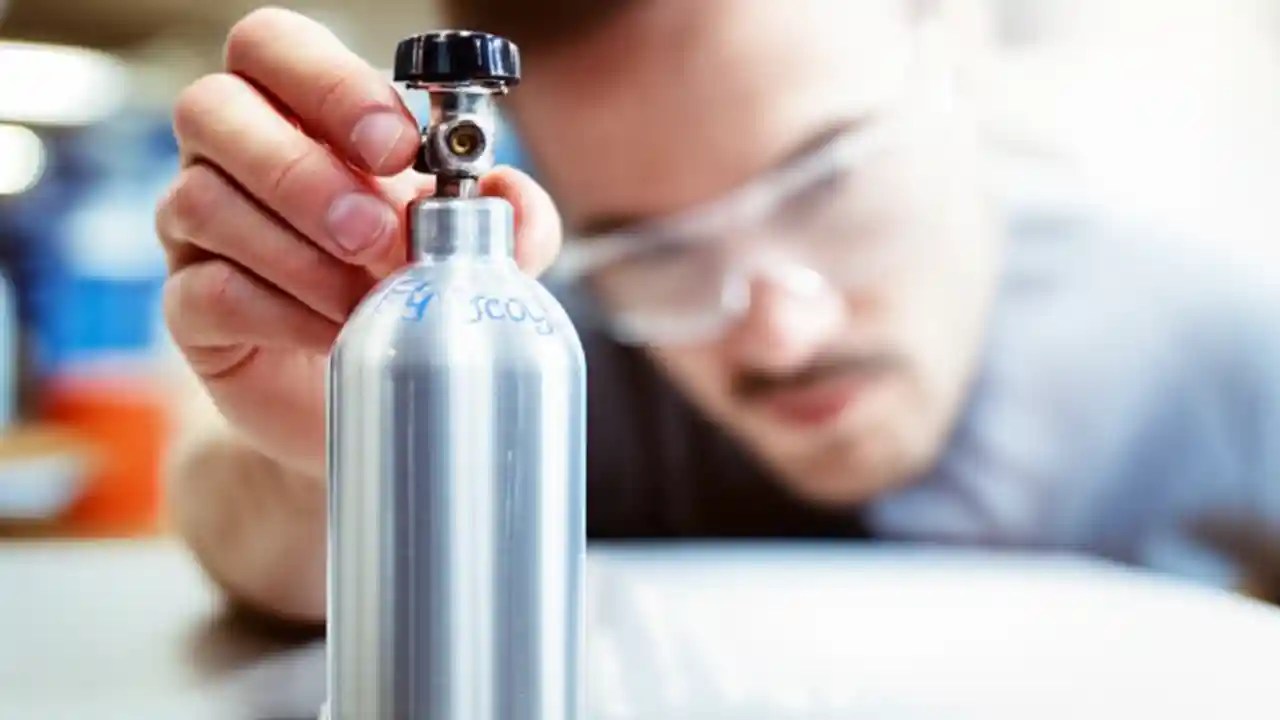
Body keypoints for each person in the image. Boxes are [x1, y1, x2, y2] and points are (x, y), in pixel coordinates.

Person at [157, 0, 1280, 623]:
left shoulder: (1217, 342)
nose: (777, 333)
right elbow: (239, 522)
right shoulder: (529, 354)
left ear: (956, 35)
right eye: (656, 251)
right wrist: (367, 447)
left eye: (828, 177)